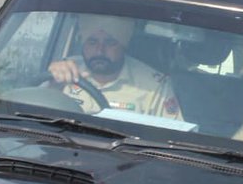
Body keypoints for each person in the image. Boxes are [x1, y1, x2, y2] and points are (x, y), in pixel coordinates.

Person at [48, 15, 182, 118]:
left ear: (124, 45)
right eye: (92, 42)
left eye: (110, 43)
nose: (99, 51)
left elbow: (169, 139)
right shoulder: (64, 71)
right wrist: (54, 86)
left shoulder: (154, 86)